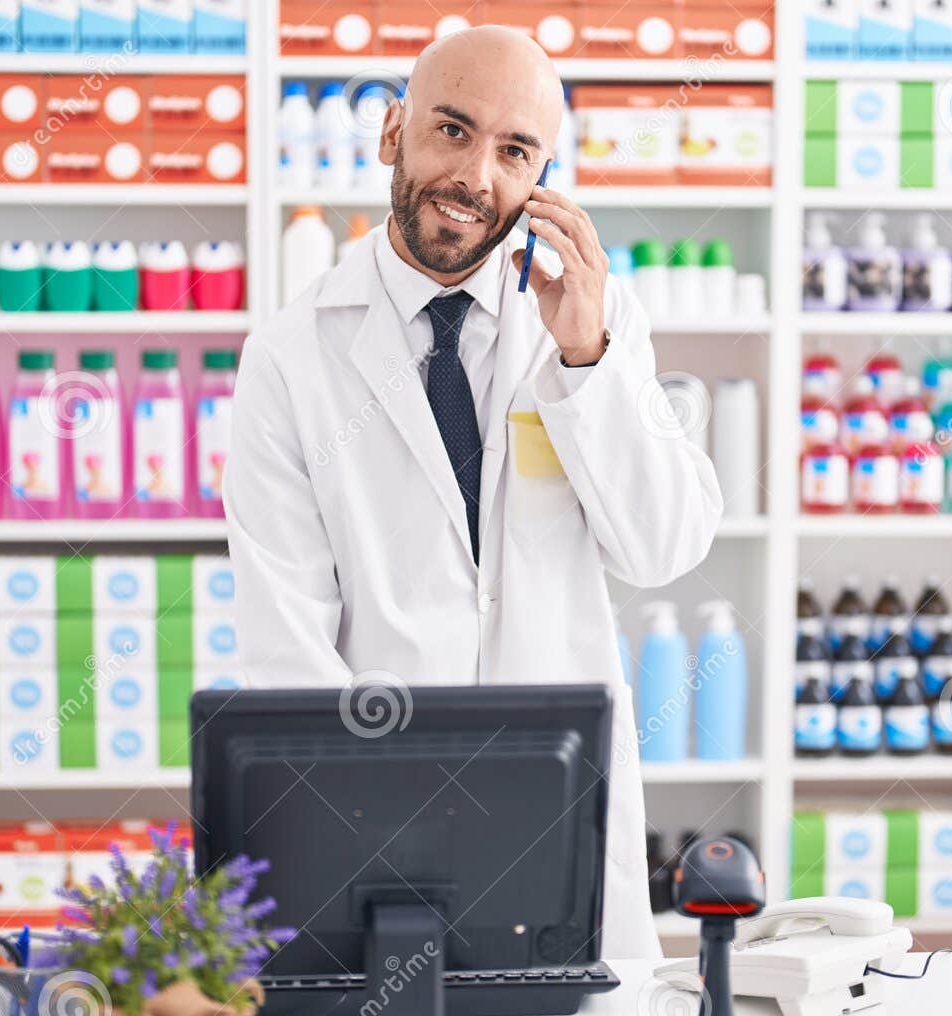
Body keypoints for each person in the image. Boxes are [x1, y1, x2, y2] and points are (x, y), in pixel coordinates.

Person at [225, 25, 722, 957]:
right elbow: (286, 654)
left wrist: (588, 360)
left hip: (565, 825)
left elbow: (665, 546)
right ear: (391, 133)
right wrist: (395, 829)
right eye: (452, 131)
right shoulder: (290, 359)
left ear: (542, 174)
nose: (476, 177)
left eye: (515, 150)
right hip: (371, 835)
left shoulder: (587, 322)